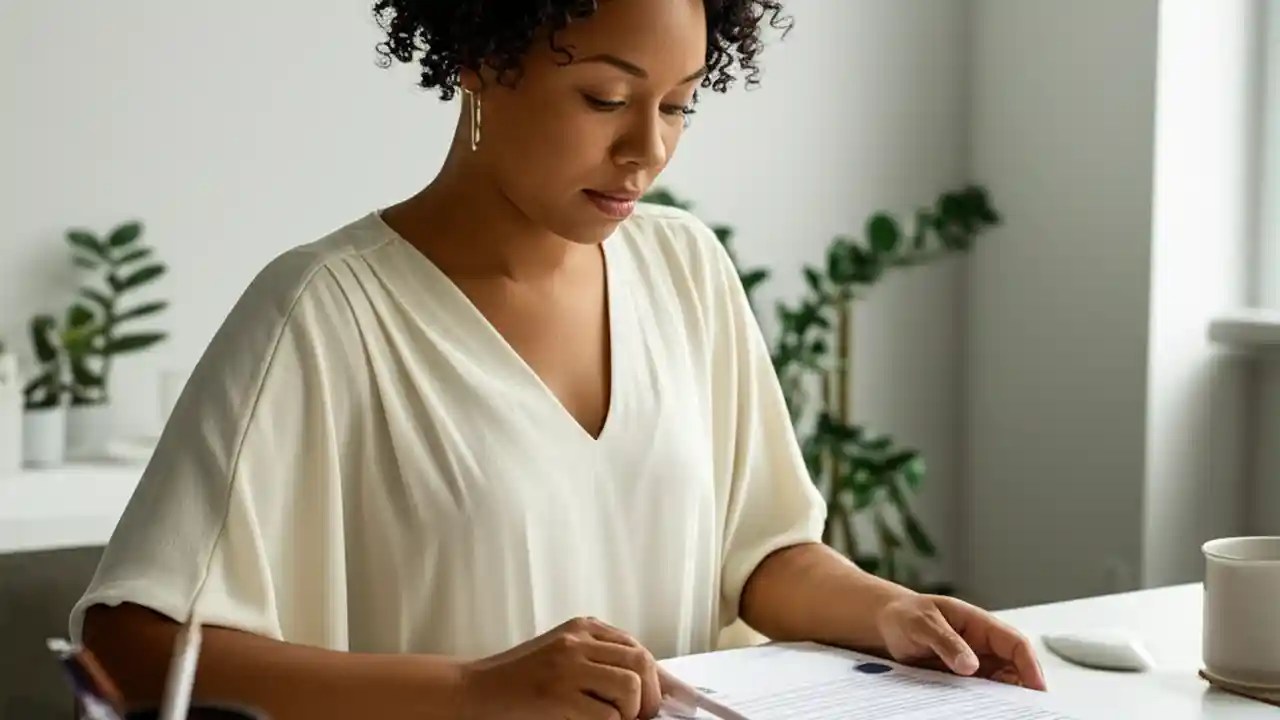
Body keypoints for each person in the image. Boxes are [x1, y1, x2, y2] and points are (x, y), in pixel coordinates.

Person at [70, 1, 1047, 718]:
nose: (646, 148)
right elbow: (130, 648)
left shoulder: (685, 268)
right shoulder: (323, 312)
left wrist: (893, 612)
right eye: (605, 97)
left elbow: (760, 554)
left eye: (677, 106)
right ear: (478, 61)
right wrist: (471, 690)